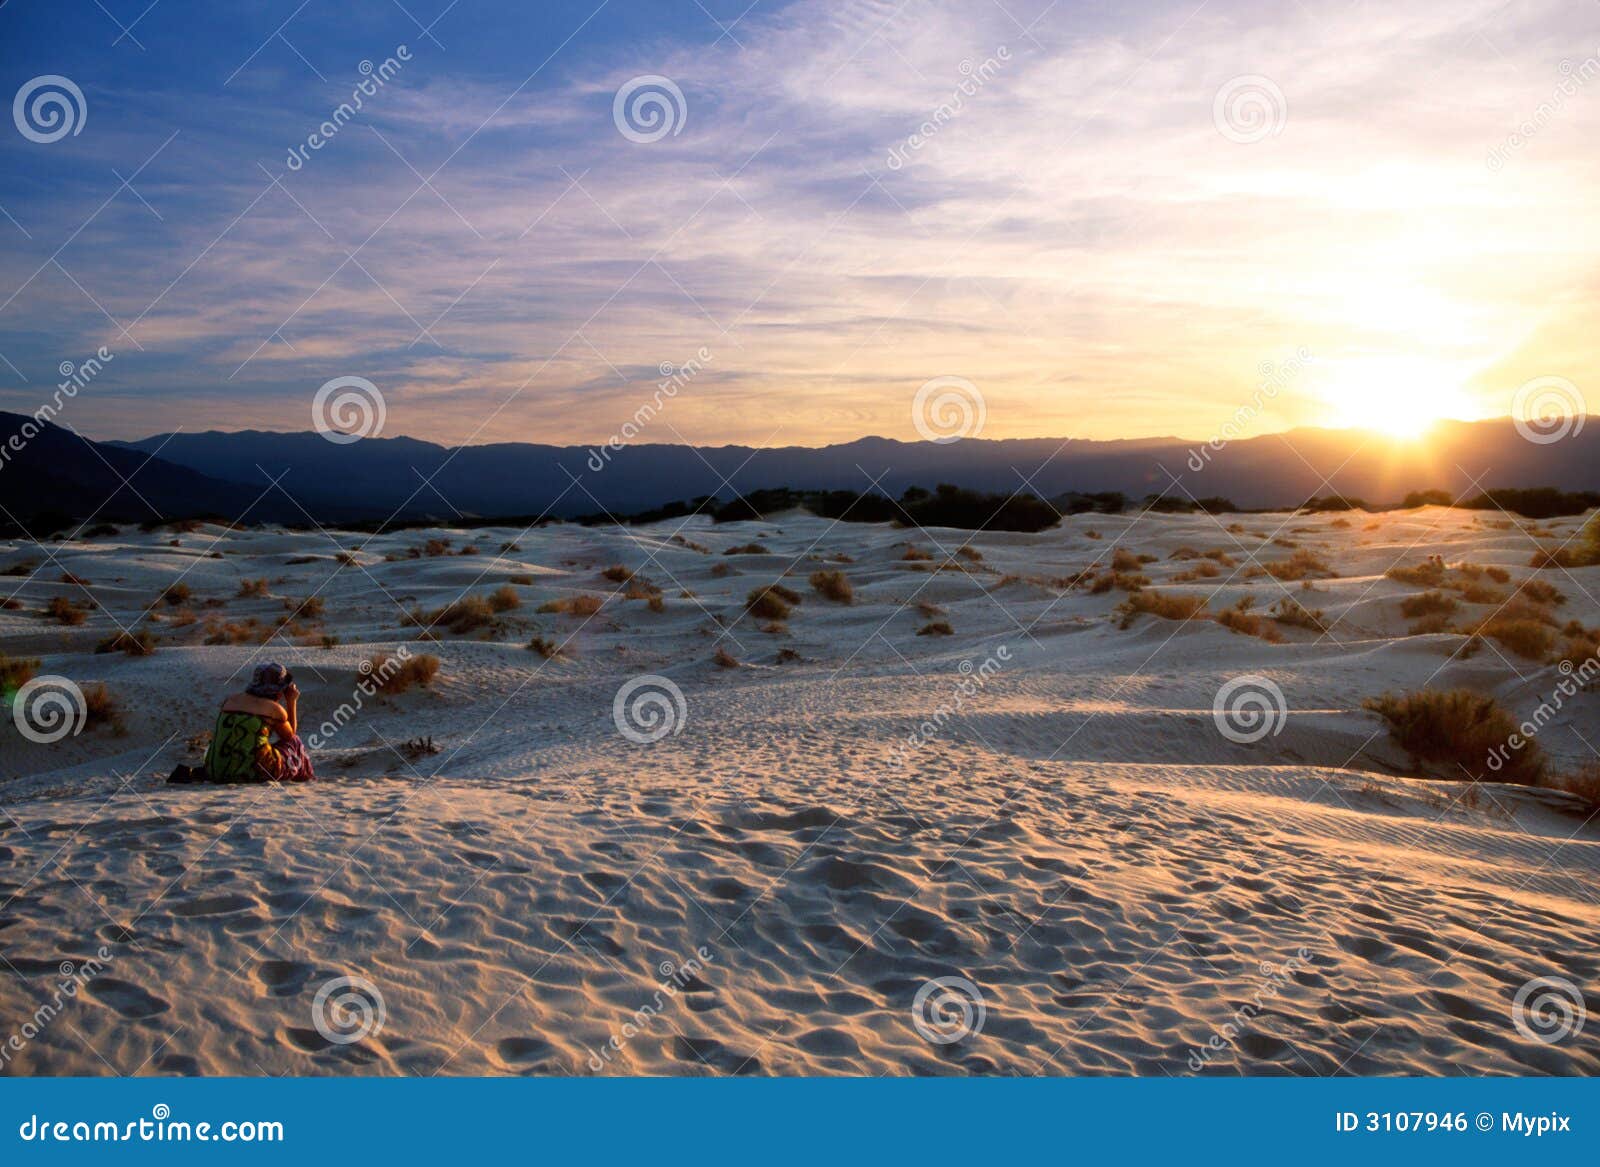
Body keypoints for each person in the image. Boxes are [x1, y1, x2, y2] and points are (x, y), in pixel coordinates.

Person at [189, 663, 315, 784]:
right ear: (279, 689)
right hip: (250, 773)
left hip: (215, 771)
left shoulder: (230, 700)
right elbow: (290, 735)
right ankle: (305, 781)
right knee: (296, 743)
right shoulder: (274, 709)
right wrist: (291, 701)